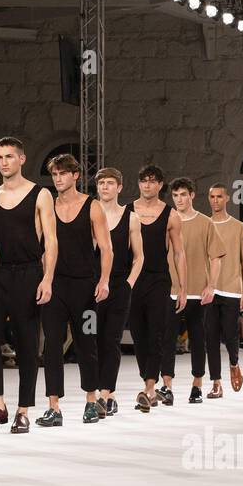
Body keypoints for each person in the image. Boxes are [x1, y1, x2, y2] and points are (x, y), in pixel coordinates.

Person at [0, 137, 55, 433]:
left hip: (28, 273)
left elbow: (51, 240)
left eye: (9, 156)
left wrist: (47, 278)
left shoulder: (40, 194)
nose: (4, 162)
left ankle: (23, 410)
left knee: (26, 343)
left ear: (21, 159)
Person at [39, 153, 110, 423]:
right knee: (52, 346)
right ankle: (53, 406)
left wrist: (103, 280)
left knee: (86, 344)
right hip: (55, 286)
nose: (58, 179)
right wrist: (44, 277)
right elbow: (43, 245)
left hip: (85, 288)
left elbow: (106, 248)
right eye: (54, 175)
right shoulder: (48, 207)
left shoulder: (92, 206)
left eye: (63, 174)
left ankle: (91, 402)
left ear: (75, 175)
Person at [129, 166, 185, 410]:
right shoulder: (127, 211)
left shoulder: (171, 215)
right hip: (133, 279)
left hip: (159, 279)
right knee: (139, 335)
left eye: (152, 181)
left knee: (156, 333)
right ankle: (148, 382)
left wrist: (182, 287)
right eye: (144, 181)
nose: (147, 185)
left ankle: (150, 388)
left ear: (161, 185)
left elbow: (179, 253)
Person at [167, 178, 224, 401]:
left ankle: (197, 384)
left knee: (198, 339)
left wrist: (211, 286)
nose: (179, 199)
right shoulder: (167, 221)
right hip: (171, 290)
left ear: (191, 195)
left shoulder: (205, 223)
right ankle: (167, 386)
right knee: (167, 340)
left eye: (183, 194)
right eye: (175, 195)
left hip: (198, 291)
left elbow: (216, 257)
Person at [95, 168, 143, 413]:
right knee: (95, 341)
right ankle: (110, 394)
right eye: (101, 183)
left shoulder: (130, 217)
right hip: (93, 286)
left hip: (119, 287)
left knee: (111, 340)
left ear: (120, 187)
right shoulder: (91, 215)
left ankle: (103, 396)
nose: (105, 187)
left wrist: (128, 284)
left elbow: (139, 256)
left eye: (110, 183)